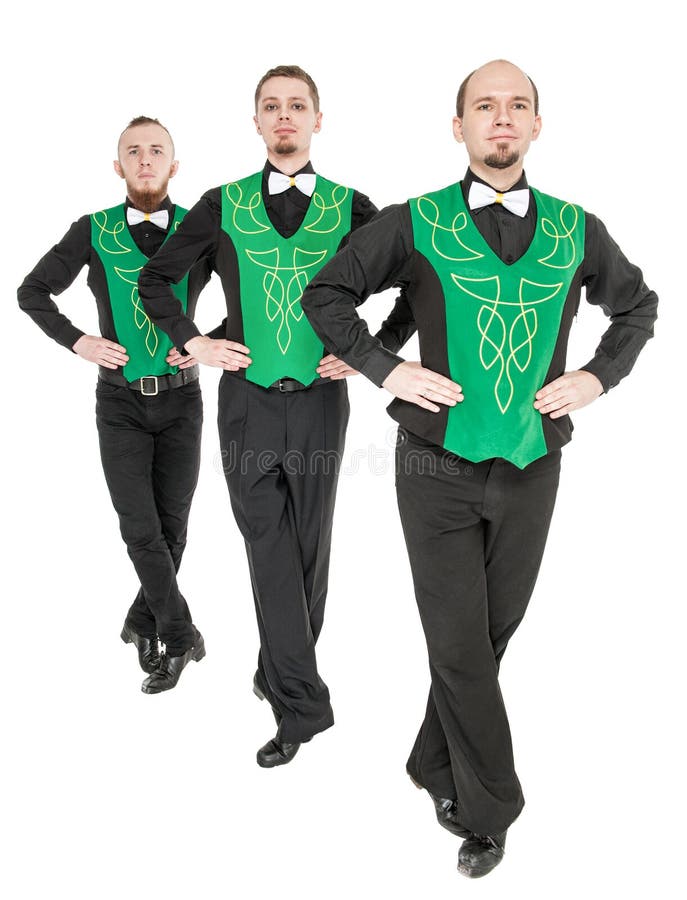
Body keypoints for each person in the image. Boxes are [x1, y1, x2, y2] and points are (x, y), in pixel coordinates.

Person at [301, 59, 657, 877]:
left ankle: (432, 761)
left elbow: (636, 306)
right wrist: (384, 367)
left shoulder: (578, 229)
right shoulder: (415, 220)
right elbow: (325, 294)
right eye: (484, 106)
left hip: (534, 463)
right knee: (458, 640)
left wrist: (599, 374)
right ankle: (490, 812)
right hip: (434, 462)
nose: (501, 117)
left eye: (517, 106)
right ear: (456, 127)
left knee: (488, 634)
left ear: (536, 126)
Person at [138, 65, 412, 767]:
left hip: (322, 401)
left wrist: (374, 352)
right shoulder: (220, 203)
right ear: (255, 122)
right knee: (266, 542)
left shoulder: (353, 208)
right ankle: (302, 708)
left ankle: (275, 672)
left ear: (317, 121)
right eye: (271, 107)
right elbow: (155, 278)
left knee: (308, 549)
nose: (283, 116)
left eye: (296, 106)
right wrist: (193, 341)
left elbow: (420, 274)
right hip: (247, 401)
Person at [18, 117, 209, 695]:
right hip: (119, 403)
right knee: (139, 528)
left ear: (174, 166)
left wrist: (210, 335)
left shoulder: (201, 229)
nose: (145, 159)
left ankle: (138, 621)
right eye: (134, 151)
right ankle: (179, 637)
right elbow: (32, 291)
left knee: (173, 528)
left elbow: (251, 290)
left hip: (183, 400)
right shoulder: (93, 229)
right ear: (118, 165)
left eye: (157, 151)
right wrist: (78, 340)